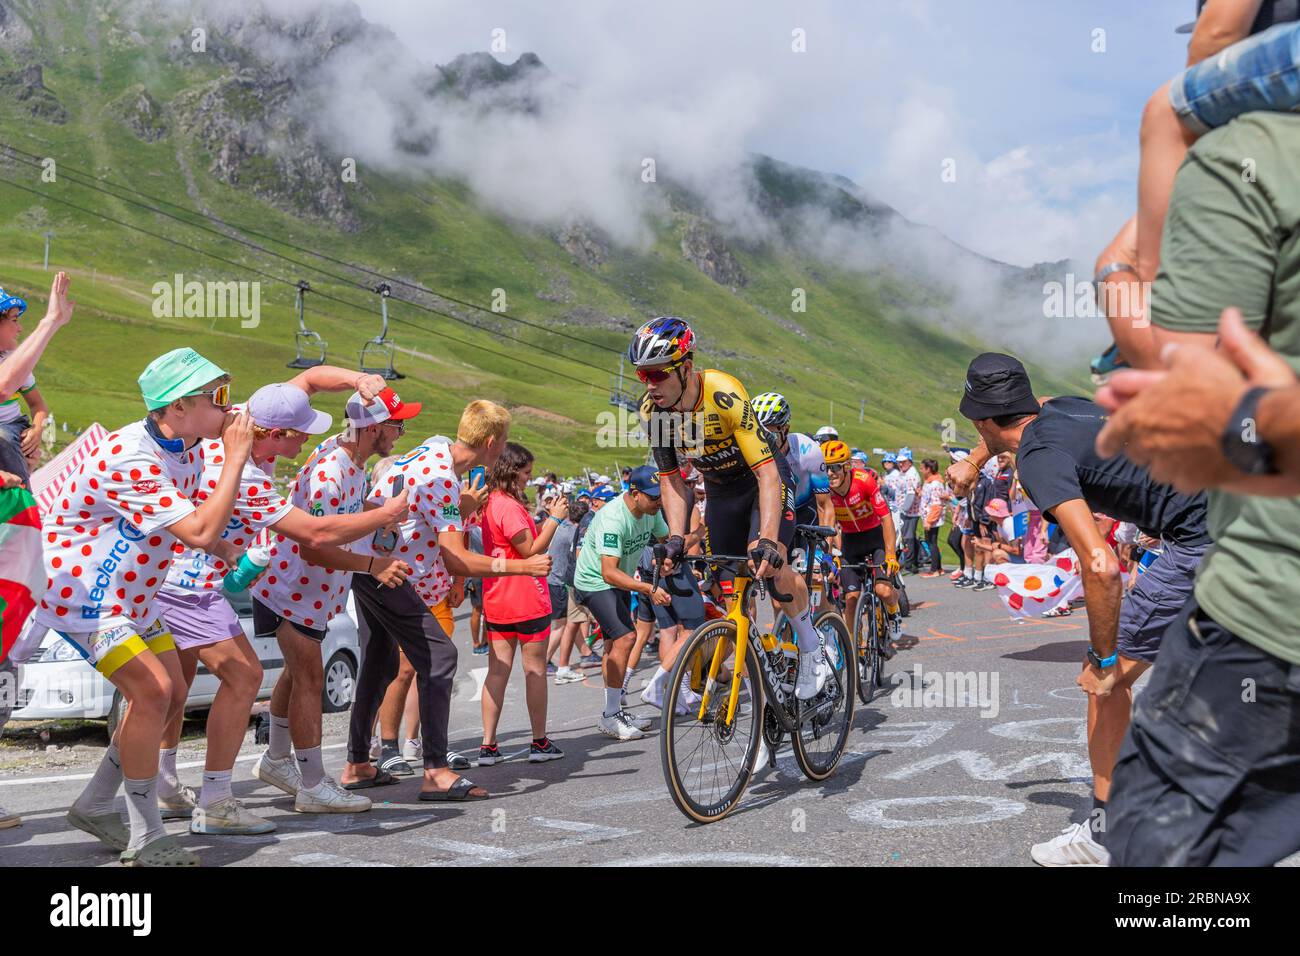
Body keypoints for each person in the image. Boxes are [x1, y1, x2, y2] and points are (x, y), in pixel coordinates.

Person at [1088, 107, 1300, 866]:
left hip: (1270, 617)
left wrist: (1113, 272)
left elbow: (1178, 370)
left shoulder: (1258, 149)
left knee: (1156, 858)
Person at [953, 352, 1210, 867]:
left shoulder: (1037, 458)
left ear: (981, 420)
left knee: (1105, 686)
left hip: (1202, 540)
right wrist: (976, 460)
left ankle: (1104, 835)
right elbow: (1029, 407)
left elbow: (1100, 565)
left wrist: (1105, 655)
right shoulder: (1061, 406)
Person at [153, 376, 411, 832]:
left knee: (175, 686)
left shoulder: (243, 425)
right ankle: (221, 800)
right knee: (247, 675)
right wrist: (384, 520)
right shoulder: (250, 476)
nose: (310, 438)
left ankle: (163, 784)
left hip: (179, 575)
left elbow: (306, 381)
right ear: (276, 434)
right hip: (191, 582)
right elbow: (313, 537)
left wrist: (358, 380)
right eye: (301, 432)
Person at [33, 348, 254, 866]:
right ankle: (144, 834)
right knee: (152, 690)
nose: (228, 407)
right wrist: (237, 459)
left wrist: (221, 547)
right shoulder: (128, 455)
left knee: (174, 689)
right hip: (82, 592)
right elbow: (199, 526)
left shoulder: (189, 446)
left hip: (132, 592)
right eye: (217, 396)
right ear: (177, 406)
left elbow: (191, 526)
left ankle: (94, 803)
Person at [338, 400, 549, 802]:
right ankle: (435, 770)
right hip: (388, 570)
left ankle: (357, 764)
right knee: (440, 658)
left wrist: (464, 505)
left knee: (380, 660)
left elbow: (424, 511)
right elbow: (458, 558)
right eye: (502, 443)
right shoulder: (443, 480)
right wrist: (524, 567)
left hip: (368, 563)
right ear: (490, 443)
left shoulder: (435, 448)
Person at [633, 317, 830, 701]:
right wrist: (675, 537)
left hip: (763, 480)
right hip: (721, 490)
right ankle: (759, 682)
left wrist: (769, 539)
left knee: (771, 565)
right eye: (643, 376)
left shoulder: (723, 394)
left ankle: (811, 645)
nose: (650, 385)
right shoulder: (653, 413)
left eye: (657, 374)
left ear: (685, 367)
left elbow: (767, 474)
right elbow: (671, 478)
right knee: (732, 588)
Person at [248, 388, 414, 813]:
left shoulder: (353, 458)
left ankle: (277, 758)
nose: (400, 433)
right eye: (397, 426)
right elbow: (314, 546)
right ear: (374, 428)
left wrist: (374, 517)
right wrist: (373, 563)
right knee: (309, 680)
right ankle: (314, 784)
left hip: (309, 590)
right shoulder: (331, 471)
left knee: (297, 673)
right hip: (293, 586)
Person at [477, 442, 566, 765]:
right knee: (534, 671)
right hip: (526, 597)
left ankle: (488, 745)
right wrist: (555, 520)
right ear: (512, 472)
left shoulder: (489, 502)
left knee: (497, 672)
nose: (529, 479)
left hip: (498, 597)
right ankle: (538, 741)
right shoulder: (509, 506)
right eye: (526, 473)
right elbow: (529, 550)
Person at [571, 465, 670, 739]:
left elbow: (665, 539)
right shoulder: (613, 518)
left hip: (620, 579)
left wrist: (668, 557)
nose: (658, 502)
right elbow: (608, 572)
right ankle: (611, 715)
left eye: (660, 496)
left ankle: (613, 710)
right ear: (634, 493)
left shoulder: (651, 511)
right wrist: (649, 588)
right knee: (627, 638)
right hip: (595, 581)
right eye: (653, 497)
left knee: (615, 644)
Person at [820, 440, 901, 644]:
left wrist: (890, 554)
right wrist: (828, 557)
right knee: (851, 598)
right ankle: (853, 645)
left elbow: (885, 518)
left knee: (883, 590)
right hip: (851, 542)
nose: (830, 473)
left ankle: (893, 612)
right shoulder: (825, 489)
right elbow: (829, 526)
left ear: (846, 466)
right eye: (825, 468)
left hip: (876, 538)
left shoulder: (864, 481)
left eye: (835, 467)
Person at [0, 272, 73, 484]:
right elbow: (3, 388)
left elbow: (37, 404)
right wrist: (51, 321)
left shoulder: (13, 359)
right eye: (14, 320)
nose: (20, 328)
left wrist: (37, 429)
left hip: (12, 426)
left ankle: (22, 496)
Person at [751, 391, 836, 529]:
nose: (764, 442)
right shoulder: (750, 452)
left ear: (786, 429)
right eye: (759, 436)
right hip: (767, 510)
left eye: (770, 436)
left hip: (803, 512)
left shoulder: (809, 451)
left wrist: (825, 545)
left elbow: (824, 505)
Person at [893, 448, 922, 573]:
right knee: (908, 537)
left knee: (908, 537)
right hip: (903, 509)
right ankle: (915, 561)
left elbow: (910, 496)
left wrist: (903, 510)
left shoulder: (911, 475)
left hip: (910, 512)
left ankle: (909, 564)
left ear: (910, 462)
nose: (900, 464)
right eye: (899, 462)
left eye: (903, 462)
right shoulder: (903, 472)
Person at [918, 459, 947, 576]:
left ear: (928, 469)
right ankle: (939, 568)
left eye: (922, 468)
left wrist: (929, 521)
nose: (920, 470)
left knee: (931, 543)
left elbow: (936, 505)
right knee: (932, 542)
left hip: (932, 519)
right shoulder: (929, 482)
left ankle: (934, 570)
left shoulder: (935, 484)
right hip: (928, 518)